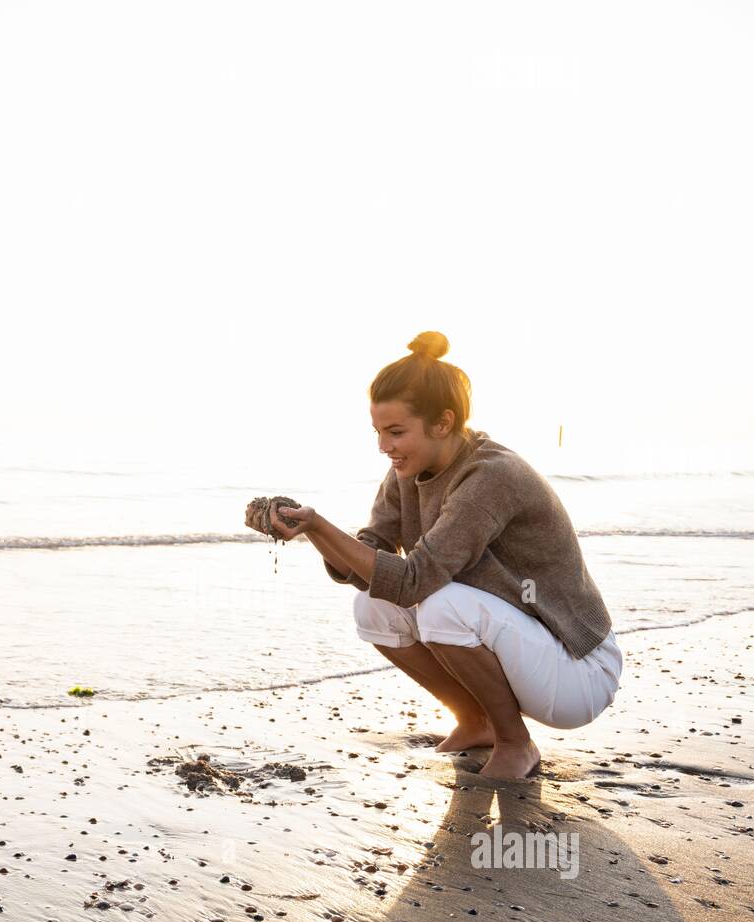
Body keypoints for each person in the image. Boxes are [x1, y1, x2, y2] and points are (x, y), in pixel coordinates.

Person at [247, 330, 621, 780]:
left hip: (577, 668)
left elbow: (413, 581)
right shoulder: (408, 471)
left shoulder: (491, 477)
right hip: (525, 652)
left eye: (396, 432)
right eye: (379, 432)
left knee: (442, 606)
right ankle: (477, 721)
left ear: (442, 423)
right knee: (372, 606)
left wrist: (319, 524)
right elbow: (372, 559)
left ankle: (516, 743)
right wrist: (305, 529)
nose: (384, 446)